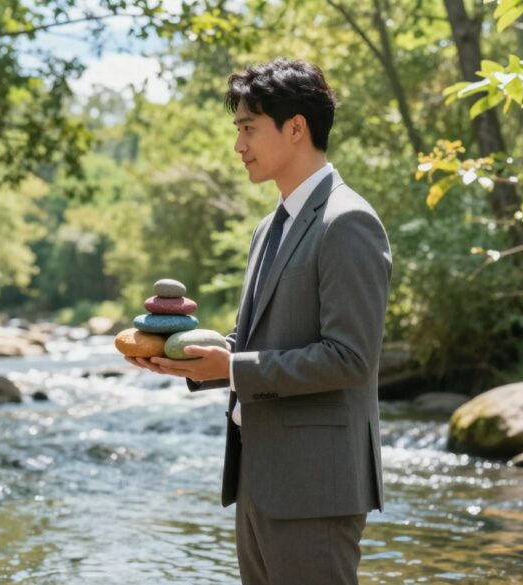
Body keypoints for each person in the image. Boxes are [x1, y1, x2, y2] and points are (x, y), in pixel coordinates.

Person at [126, 58, 392, 584]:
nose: (238, 145)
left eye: (248, 128)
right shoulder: (269, 226)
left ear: (296, 128)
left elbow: (351, 358)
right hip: (261, 481)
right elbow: (251, 341)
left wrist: (234, 370)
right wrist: (188, 358)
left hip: (317, 489)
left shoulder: (348, 221)